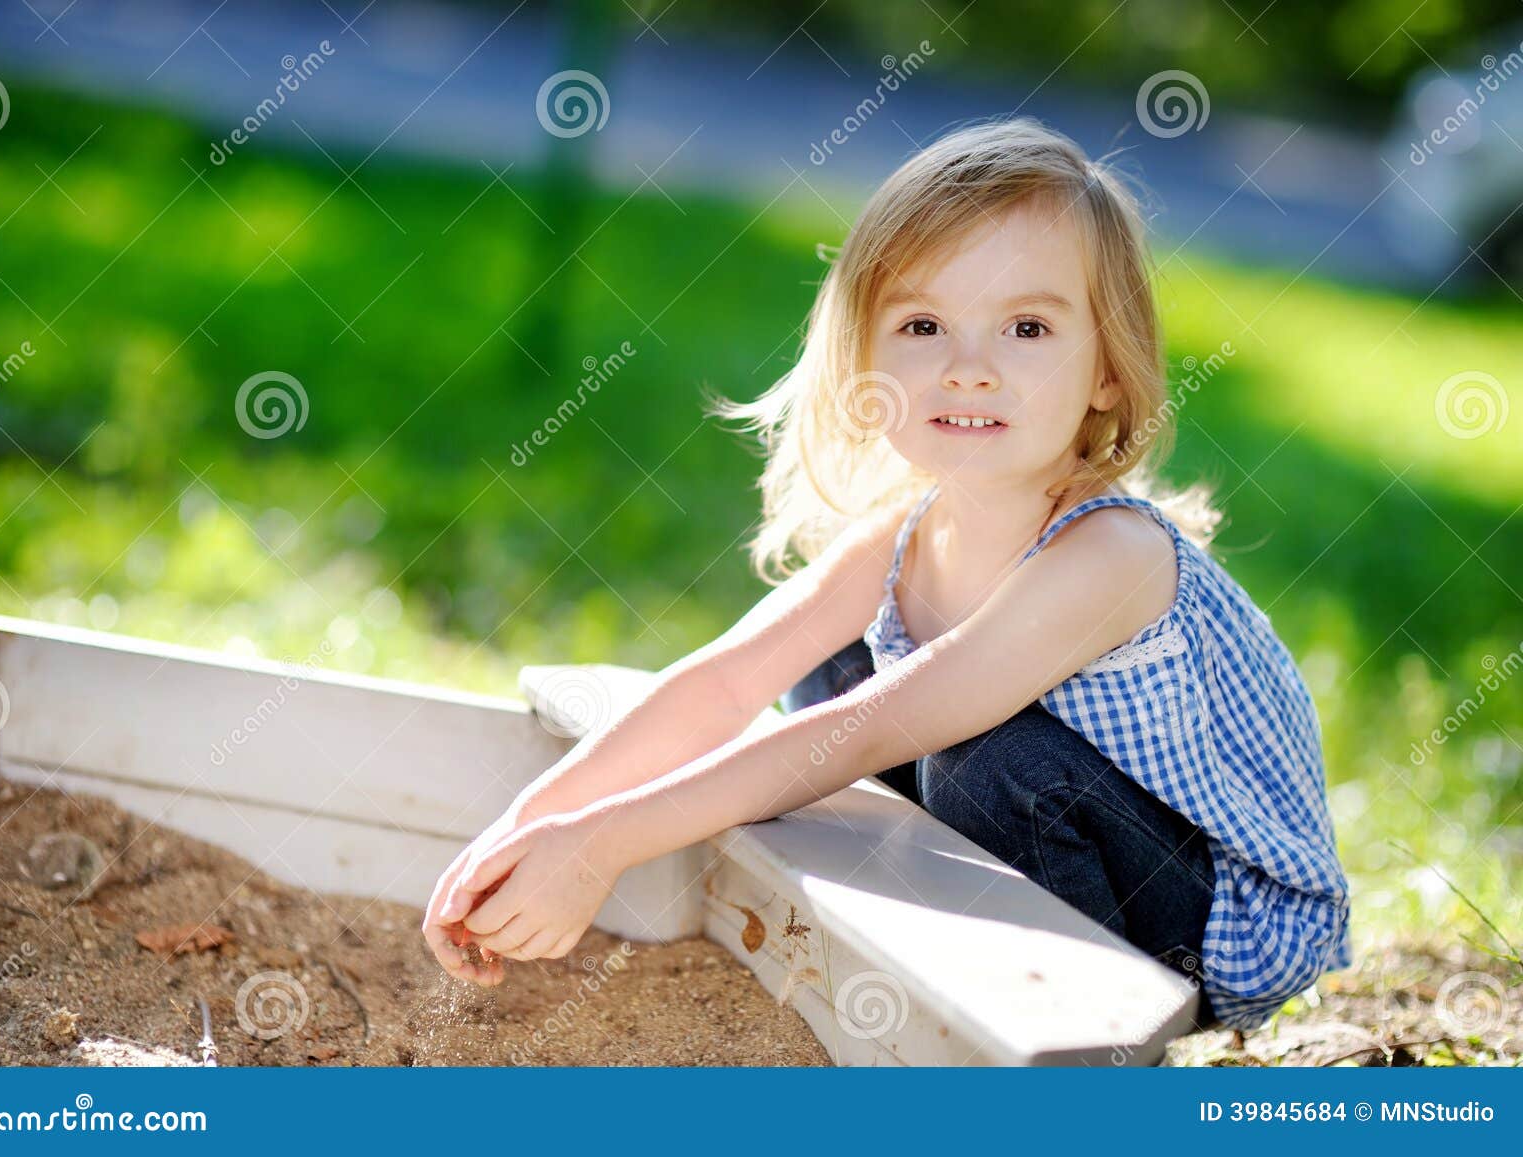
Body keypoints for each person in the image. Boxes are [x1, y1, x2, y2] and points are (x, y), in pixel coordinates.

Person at [422, 116, 1352, 1035]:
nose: (968, 369)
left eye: (1027, 327)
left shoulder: (1112, 555)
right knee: (820, 675)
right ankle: (897, 969)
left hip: (1201, 917)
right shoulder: (902, 535)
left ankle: (1071, 1056)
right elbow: (721, 681)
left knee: (978, 755)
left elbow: (874, 731)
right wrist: (531, 826)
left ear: (1107, 370)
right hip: (1041, 817)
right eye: (923, 324)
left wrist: (603, 845)